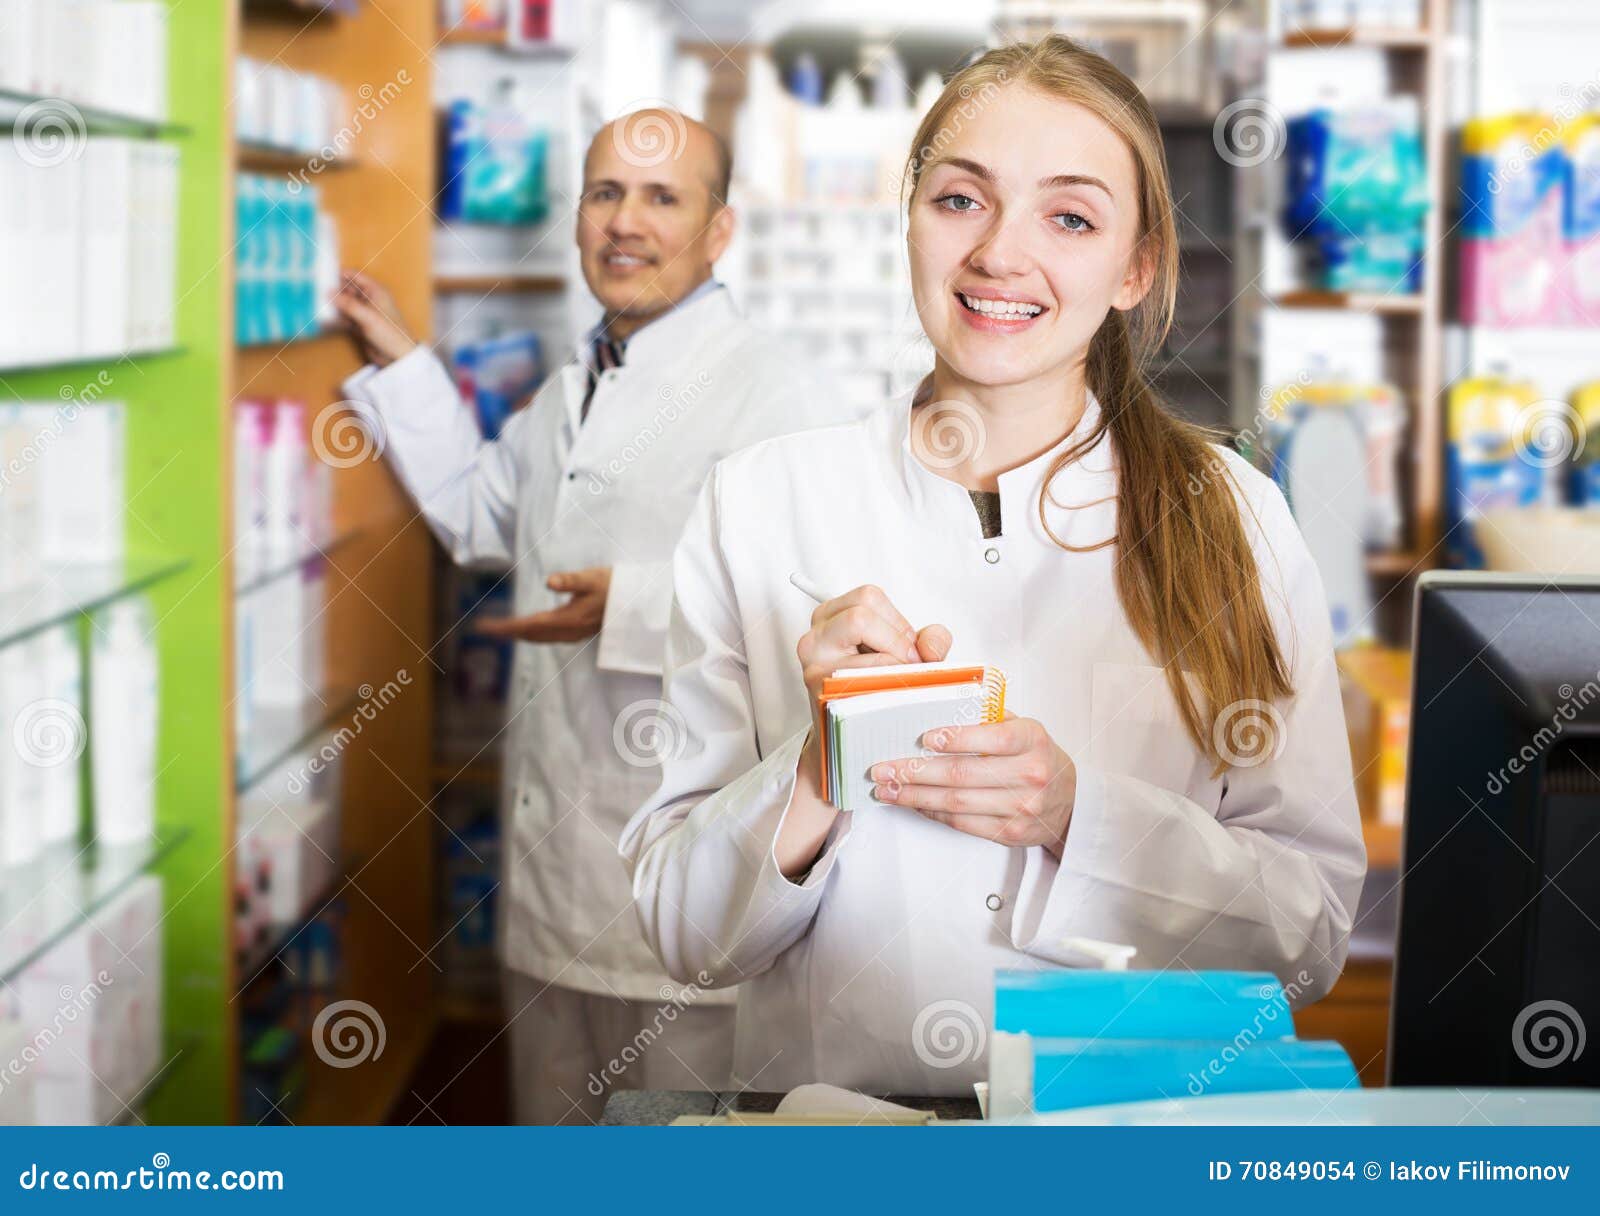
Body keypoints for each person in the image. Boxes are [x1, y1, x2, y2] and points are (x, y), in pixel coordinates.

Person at [621, 38, 1367, 1097]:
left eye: (1069, 217)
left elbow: (1309, 933)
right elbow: (683, 936)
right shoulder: (760, 502)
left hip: (1125, 1141)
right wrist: (815, 769)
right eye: (962, 200)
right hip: (841, 1145)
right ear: (911, 217)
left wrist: (1079, 816)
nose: (1000, 256)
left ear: (1135, 267)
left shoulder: (1237, 520)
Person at [333, 109, 859, 1123]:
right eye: (605, 192)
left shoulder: (780, 393)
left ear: (718, 230)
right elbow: (486, 515)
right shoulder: (573, 388)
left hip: (689, 909)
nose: (626, 221)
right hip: (547, 891)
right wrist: (400, 360)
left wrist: (643, 602)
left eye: (663, 197)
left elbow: (831, 615)